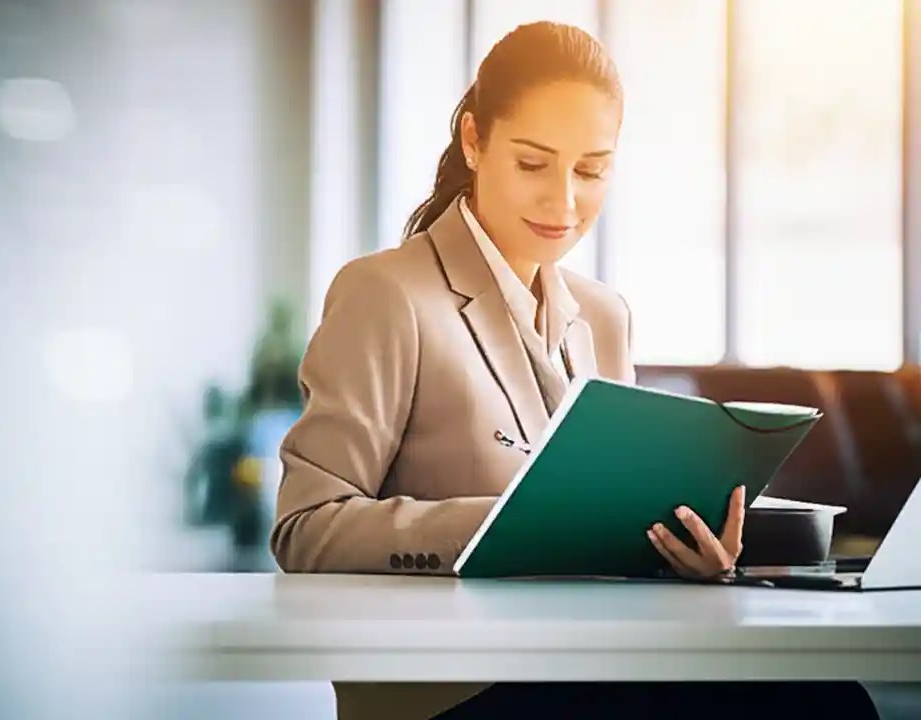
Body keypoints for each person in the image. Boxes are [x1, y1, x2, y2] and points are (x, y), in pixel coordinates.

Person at [269, 21, 879, 720]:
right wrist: (509, 528)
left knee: (831, 701)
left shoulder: (603, 315)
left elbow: (618, 531)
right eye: (533, 164)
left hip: (598, 662)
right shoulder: (387, 293)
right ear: (474, 141)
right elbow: (307, 527)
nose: (564, 202)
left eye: (591, 170)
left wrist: (685, 552)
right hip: (457, 692)